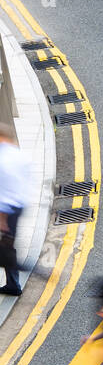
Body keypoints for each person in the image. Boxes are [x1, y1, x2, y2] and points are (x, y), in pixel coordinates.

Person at [0, 121, 30, 296]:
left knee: (7, 247)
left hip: (7, 210)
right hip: (19, 205)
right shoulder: (19, 155)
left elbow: (4, 192)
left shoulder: (4, 159)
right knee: (7, 245)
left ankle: (16, 279)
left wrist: (2, 219)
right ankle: (13, 283)